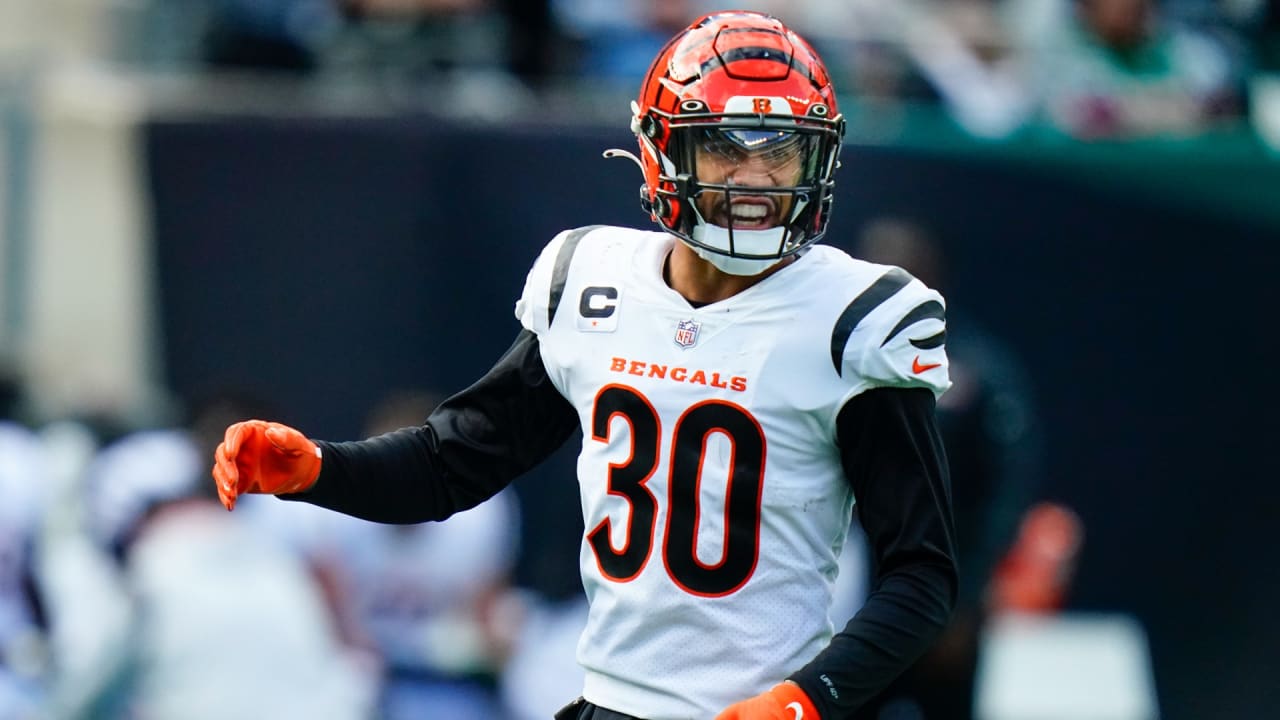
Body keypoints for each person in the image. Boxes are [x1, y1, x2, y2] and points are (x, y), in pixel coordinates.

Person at [212, 11, 958, 720]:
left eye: (780, 149)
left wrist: (808, 699)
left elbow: (922, 576)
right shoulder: (594, 279)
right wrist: (319, 469)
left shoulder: (854, 317)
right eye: (727, 146)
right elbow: (453, 462)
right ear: (666, 150)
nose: (756, 179)